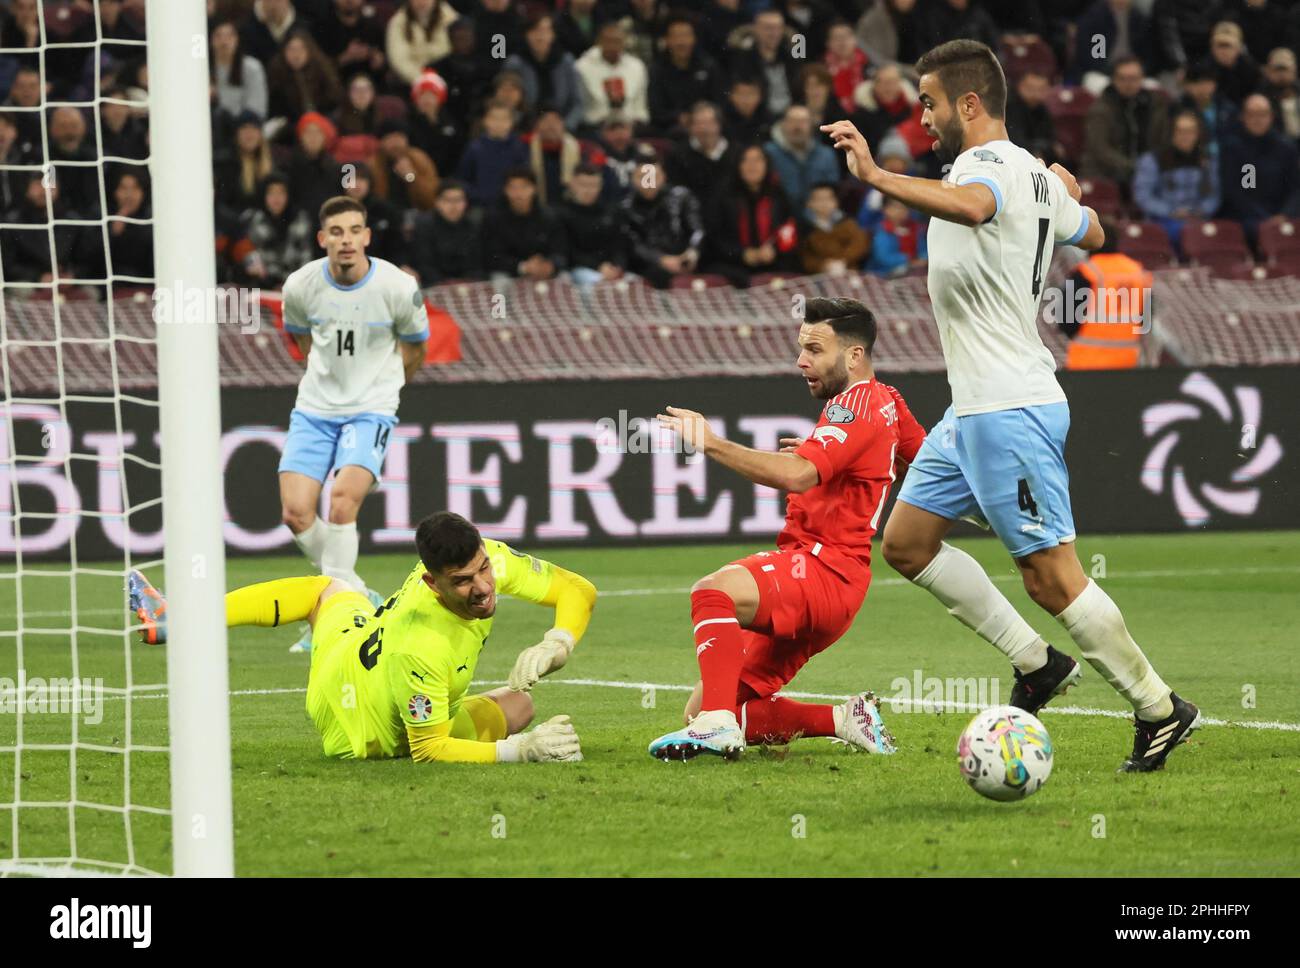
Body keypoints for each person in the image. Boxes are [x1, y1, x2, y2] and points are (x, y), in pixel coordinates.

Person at [823, 39, 1202, 772]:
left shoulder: (987, 168)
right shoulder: (1032, 172)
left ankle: (1160, 708)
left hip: (1009, 406)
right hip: (974, 408)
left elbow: (972, 206)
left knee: (1051, 575)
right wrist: (1066, 195)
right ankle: (1038, 664)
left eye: (930, 103)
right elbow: (1095, 233)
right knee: (905, 542)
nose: (923, 118)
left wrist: (875, 174)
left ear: (970, 104)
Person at [646, 297, 924, 760]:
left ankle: (717, 728)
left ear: (854, 355)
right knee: (704, 707)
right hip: (840, 584)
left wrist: (711, 443)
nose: (802, 360)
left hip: (821, 570)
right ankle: (845, 720)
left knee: (712, 593)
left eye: (815, 349)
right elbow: (930, 461)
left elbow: (797, 475)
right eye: (801, 348)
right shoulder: (887, 400)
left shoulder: (856, 406)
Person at [127, 512, 595, 764]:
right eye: (464, 582)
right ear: (433, 584)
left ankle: (177, 617)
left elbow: (578, 590)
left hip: (352, 648)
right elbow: (428, 751)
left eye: (483, 570)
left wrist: (557, 642)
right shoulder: (424, 644)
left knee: (328, 590)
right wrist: (520, 751)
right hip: (357, 726)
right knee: (479, 732)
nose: (484, 588)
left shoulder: (489, 558)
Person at [276, 196, 430, 652]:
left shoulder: (398, 287)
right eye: (337, 232)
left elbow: (416, 346)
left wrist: (386, 390)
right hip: (315, 408)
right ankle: (359, 594)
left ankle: (335, 616)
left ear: (367, 236)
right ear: (323, 239)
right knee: (296, 512)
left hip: (372, 408)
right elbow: (301, 339)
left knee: (342, 502)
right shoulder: (300, 286)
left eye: (355, 230)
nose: (346, 240)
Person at [1131, 109, 1220, 252]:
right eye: (1180, 131)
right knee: (1182, 233)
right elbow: (1143, 196)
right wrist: (1170, 211)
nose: (1186, 136)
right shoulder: (1153, 160)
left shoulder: (1208, 161)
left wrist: (1199, 210)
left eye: (1190, 131)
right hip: (1163, 220)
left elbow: (1214, 195)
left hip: (1198, 218)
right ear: (1172, 133)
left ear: (1198, 134)